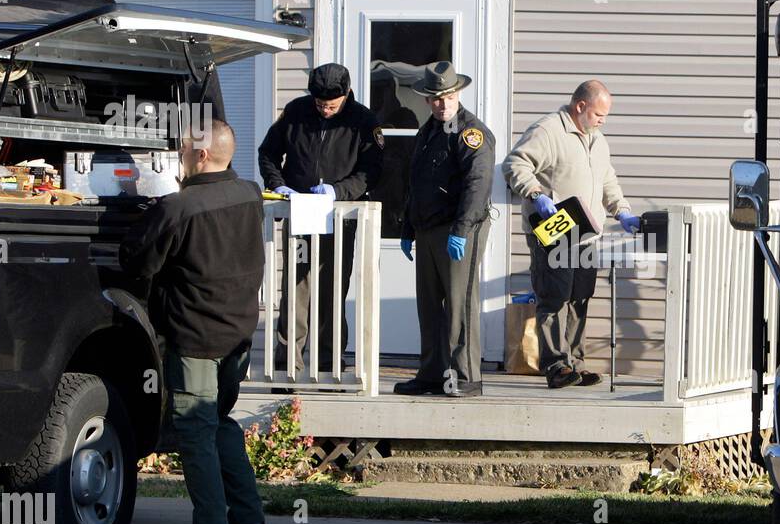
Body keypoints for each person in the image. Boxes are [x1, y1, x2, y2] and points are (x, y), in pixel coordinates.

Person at [119, 120, 268, 524]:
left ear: (200, 156)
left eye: (183, 149)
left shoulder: (179, 207)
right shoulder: (251, 195)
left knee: (196, 435)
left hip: (196, 338)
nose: (180, 155)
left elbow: (137, 261)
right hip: (239, 332)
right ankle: (248, 519)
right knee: (220, 421)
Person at [503, 80, 639, 389]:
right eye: (599, 114)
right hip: (554, 229)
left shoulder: (597, 139)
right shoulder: (549, 130)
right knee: (554, 297)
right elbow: (515, 164)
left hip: (586, 234)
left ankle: (575, 363)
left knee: (580, 297)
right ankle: (556, 366)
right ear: (580, 107)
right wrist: (535, 193)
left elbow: (608, 181)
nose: (603, 121)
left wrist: (622, 211)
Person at [258, 62, 382, 374]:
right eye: (320, 105)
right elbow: (268, 154)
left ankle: (328, 361)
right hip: (298, 212)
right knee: (294, 288)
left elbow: (372, 171)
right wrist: (278, 185)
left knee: (332, 288)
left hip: (338, 217)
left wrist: (338, 191)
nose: (325, 110)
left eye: (332, 105)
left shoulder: (363, 120)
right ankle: (289, 362)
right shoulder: (296, 111)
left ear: (346, 95)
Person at [395, 61, 495, 398]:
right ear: (427, 100)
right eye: (436, 98)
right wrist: (408, 227)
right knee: (429, 305)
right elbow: (417, 182)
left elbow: (477, 184)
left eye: (448, 96)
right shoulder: (428, 131)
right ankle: (432, 373)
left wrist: (462, 229)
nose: (442, 103)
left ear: (457, 94)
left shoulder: (471, 132)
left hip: (457, 228)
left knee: (458, 304)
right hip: (427, 228)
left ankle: (464, 376)